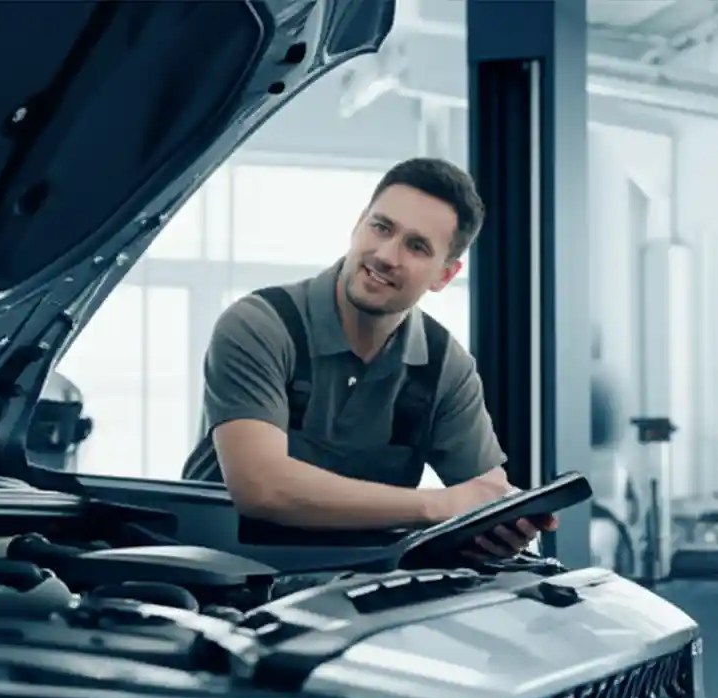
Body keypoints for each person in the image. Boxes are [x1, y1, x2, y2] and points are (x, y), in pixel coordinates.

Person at [181, 157, 556, 557]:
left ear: (444, 276)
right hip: (216, 584)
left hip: (354, 591)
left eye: (416, 246)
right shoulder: (260, 325)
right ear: (358, 224)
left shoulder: (445, 366)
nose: (386, 255)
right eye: (381, 227)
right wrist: (440, 506)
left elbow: (485, 494)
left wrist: (504, 524)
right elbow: (262, 489)